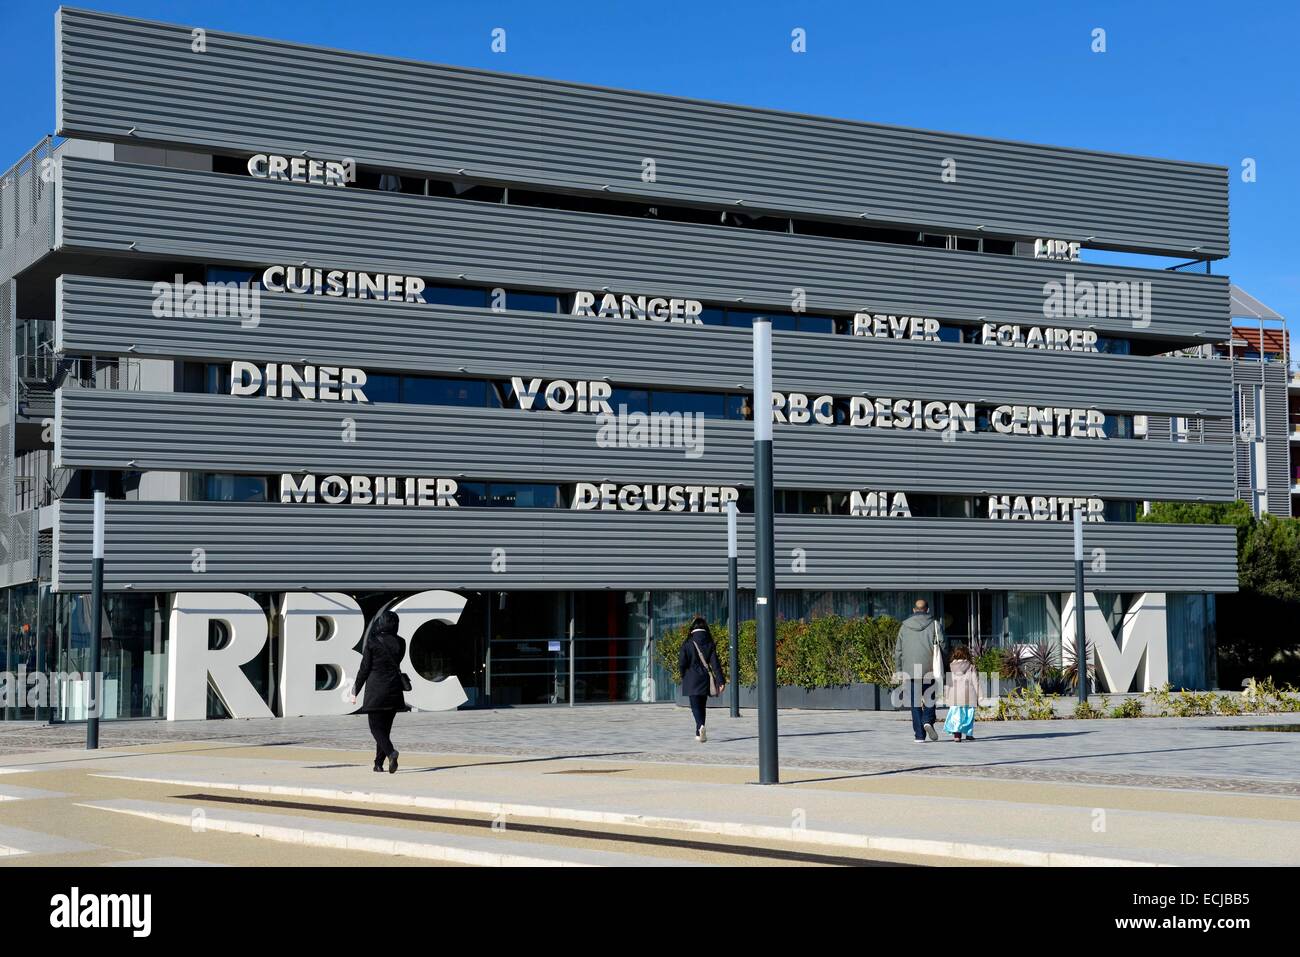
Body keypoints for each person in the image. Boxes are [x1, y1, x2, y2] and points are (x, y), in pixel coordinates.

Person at [349, 610, 409, 773]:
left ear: (381, 622)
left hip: (376, 690)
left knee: (376, 728)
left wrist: (355, 690)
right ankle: (378, 764)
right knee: (385, 730)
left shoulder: (372, 641)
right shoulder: (401, 642)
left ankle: (391, 752)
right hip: (394, 689)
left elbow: (364, 668)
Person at [896, 598, 943, 743]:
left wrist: (899, 670)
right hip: (929, 668)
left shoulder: (904, 626)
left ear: (914, 610)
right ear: (927, 610)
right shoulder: (935, 624)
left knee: (915, 703)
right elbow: (943, 645)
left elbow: (898, 650)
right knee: (929, 699)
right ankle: (927, 720)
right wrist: (945, 665)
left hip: (910, 670)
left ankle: (919, 736)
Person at [678, 615, 726, 743]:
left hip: (691, 678)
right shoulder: (709, 643)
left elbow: (682, 663)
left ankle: (700, 727)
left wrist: (683, 675)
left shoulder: (687, 643)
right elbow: (715, 664)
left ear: (692, 629)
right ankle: (699, 732)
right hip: (705, 678)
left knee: (695, 706)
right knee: (702, 706)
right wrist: (721, 681)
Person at [943, 645, 979, 742]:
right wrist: (979, 695)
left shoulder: (950, 667)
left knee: (956, 716)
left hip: (954, 697)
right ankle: (969, 734)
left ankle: (957, 736)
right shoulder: (971, 667)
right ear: (967, 654)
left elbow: (948, 683)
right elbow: (975, 681)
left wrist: (946, 696)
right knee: (969, 716)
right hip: (969, 695)